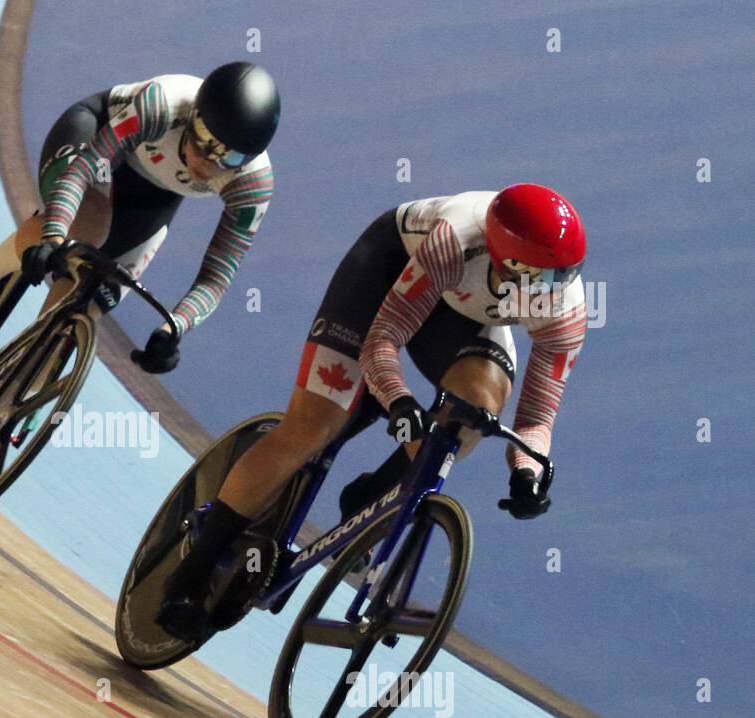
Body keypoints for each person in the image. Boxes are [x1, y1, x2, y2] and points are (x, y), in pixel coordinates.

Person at [158, 184, 588, 638]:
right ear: (507, 262)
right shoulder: (455, 239)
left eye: (562, 279)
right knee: (313, 426)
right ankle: (189, 572)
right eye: (541, 282)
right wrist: (399, 401)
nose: (551, 295)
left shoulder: (565, 309)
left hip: (466, 312)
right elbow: (382, 339)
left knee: (475, 413)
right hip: (386, 274)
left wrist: (527, 472)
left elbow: (536, 421)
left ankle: (373, 497)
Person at [0, 63, 279, 503]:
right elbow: (88, 166)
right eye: (204, 143)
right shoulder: (162, 107)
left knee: (79, 312)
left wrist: (174, 328)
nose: (209, 163)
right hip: (93, 144)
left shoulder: (253, 186)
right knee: (86, 229)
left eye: (229, 159)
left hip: (152, 202)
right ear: (193, 117)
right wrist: (53, 238)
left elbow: (219, 274)